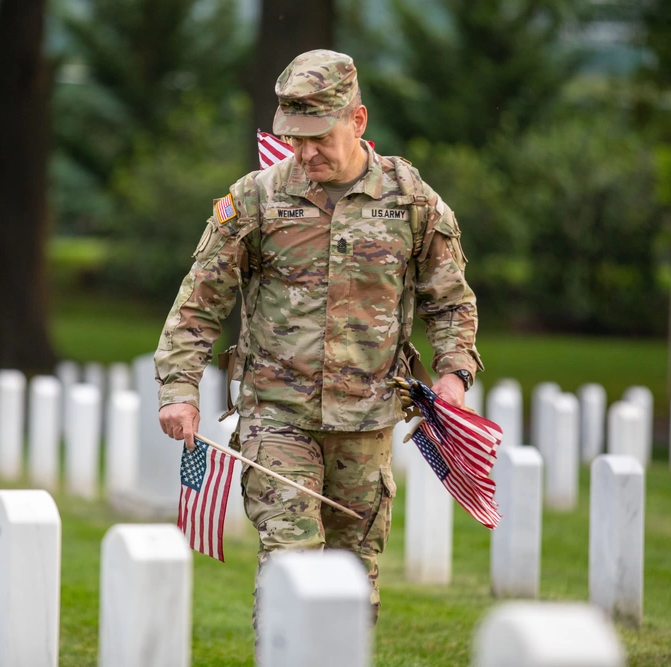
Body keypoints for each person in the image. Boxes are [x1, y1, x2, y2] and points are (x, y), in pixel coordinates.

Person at [155, 49, 481, 628]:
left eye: (317, 137)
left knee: (353, 575)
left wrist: (454, 374)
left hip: (367, 420)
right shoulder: (256, 198)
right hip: (277, 417)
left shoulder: (410, 200)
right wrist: (179, 389)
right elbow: (199, 304)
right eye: (294, 138)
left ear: (357, 121)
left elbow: (449, 299)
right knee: (290, 562)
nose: (305, 153)